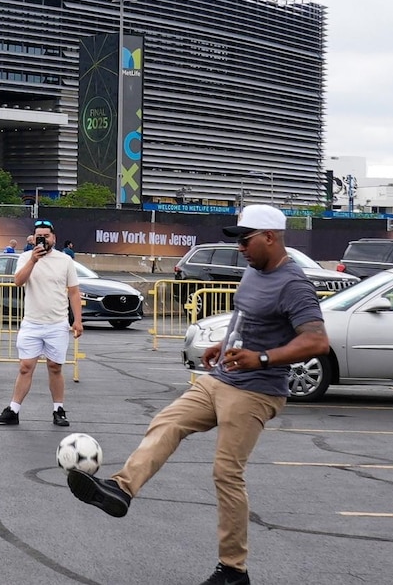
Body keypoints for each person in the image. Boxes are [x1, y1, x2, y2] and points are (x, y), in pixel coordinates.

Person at [65, 204, 329, 585]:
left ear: (270, 237)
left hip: (256, 391)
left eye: (246, 240)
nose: (240, 247)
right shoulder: (253, 272)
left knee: (226, 473)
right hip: (221, 377)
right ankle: (121, 489)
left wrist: (262, 357)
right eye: (237, 240)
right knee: (167, 421)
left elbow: (317, 341)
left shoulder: (294, 284)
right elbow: (248, 319)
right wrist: (224, 343)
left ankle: (233, 571)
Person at [0, 219, 81, 427]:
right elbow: (18, 281)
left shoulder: (65, 260)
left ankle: (58, 409)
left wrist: (78, 320)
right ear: (33, 239)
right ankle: (13, 410)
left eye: (46, 236)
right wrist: (33, 260)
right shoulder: (25, 258)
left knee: (55, 367)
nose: (43, 239)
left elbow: (74, 292)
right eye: (39, 236)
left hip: (57, 323)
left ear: (54, 238)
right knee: (25, 366)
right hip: (32, 322)